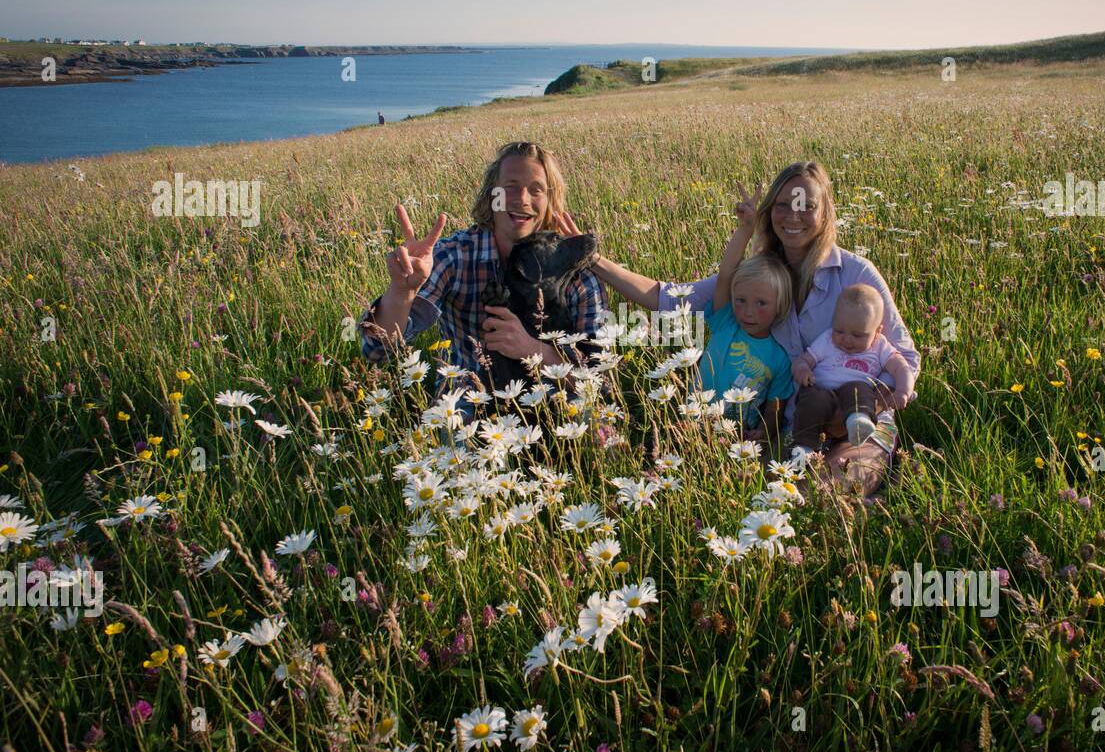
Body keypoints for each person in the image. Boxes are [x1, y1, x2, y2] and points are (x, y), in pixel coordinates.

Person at [557, 161, 919, 497]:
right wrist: (593, 260)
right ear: (769, 212)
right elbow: (668, 298)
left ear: (825, 213)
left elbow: (905, 357)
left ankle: (873, 486)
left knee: (833, 491)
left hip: (860, 422)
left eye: (806, 205)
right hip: (794, 427)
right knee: (763, 496)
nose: (793, 215)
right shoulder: (757, 279)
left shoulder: (857, 274)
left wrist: (856, 409)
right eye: (782, 204)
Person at [358, 141, 606, 402]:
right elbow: (376, 352)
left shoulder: (576, 270)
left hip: (559, 407)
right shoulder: (453, 256)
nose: (522, 199)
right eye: (510, 188)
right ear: (492, 196)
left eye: (536, 190)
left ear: (550, 202)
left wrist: (533, 350)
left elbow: (599, 382)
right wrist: (401, 291)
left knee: (600, 431)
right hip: (469, 404)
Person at [697, 182, 795, 445]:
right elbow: (727, 272)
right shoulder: (725, 321)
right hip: (694, 424)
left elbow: (776, 405)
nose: (748, 311)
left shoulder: (780, 356)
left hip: (740, 440)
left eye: (761, 303)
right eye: (740, 300)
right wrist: (746, 229)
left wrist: (766, 433)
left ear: (780, 306)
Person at [790, 283, 915, 453]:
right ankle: (804, 447)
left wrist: (902, 391)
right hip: (821, 391)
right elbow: (804, 360)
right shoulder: (827, 339)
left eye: (857, 335)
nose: (847, 340)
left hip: (855, 398)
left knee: (859, 388)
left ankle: (859, 422)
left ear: (877, 332)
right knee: (812, 400)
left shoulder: (880, 347)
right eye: (839, 331)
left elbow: (901, 367)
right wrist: (803, 369)